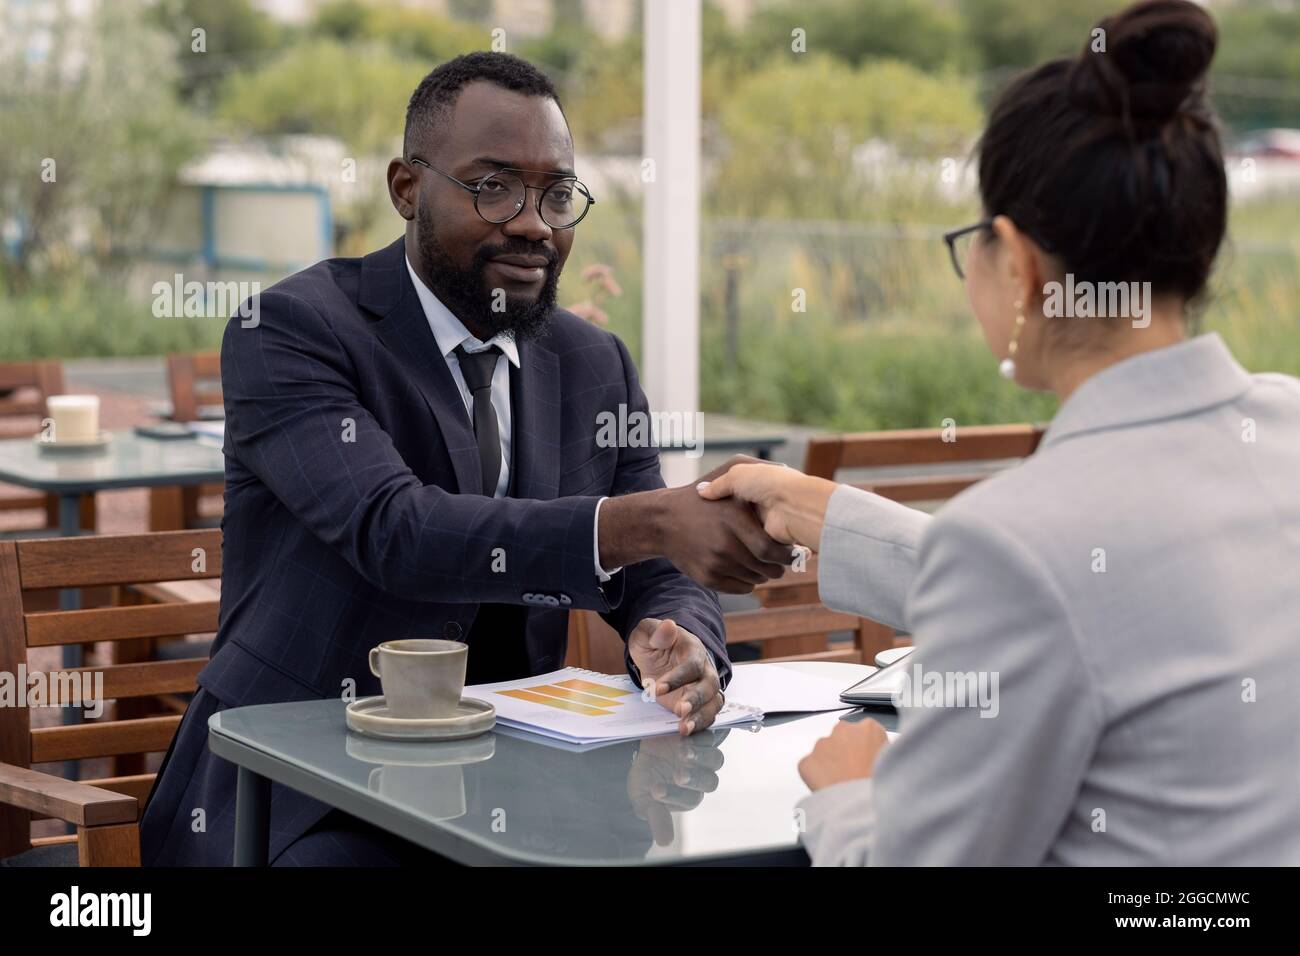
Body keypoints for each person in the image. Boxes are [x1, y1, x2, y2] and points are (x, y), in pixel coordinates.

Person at [141, 52, 790, 866]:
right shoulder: (290, 329)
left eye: (557, 193)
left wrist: (685, 637)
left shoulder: (593, 363)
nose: (534, 223)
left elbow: (656, 566)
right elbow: (396, 530)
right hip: (302, 789)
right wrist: (651, 519)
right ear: (407, 189)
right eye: (494, 187)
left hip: (522, 783)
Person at [699, 0, 1300, 865]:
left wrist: (853, 797)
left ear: (1015, 263)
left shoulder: (1018, 544)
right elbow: (1100, 591)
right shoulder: (1275, 429)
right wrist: (831, 515)